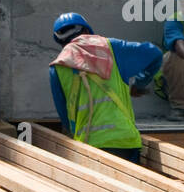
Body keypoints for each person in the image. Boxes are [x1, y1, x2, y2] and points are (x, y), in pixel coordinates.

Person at [48, 12, 162, 164]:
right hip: (125, 141)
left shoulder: (57, 68)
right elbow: (155, 54)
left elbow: (65, 118)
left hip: (88, 145)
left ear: (61, 42)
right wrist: (139, 84)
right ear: (87, 31)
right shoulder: (113, 48)